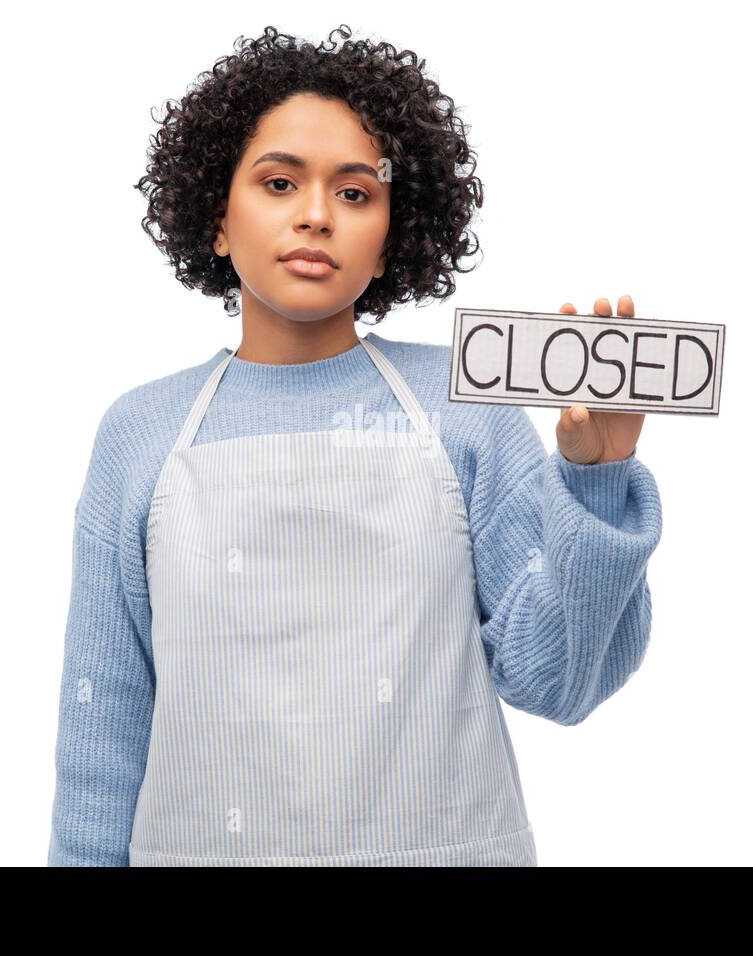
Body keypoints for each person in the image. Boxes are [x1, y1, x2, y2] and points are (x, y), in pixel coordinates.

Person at [47, 24, 662, 867]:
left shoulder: (465, 413)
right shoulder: (140, 435)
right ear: (217, 221)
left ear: (393, 238)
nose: (314, 215)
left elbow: (558, 679)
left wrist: (597, 479)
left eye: (355, 194)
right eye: (278, 182)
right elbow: (102, 729)